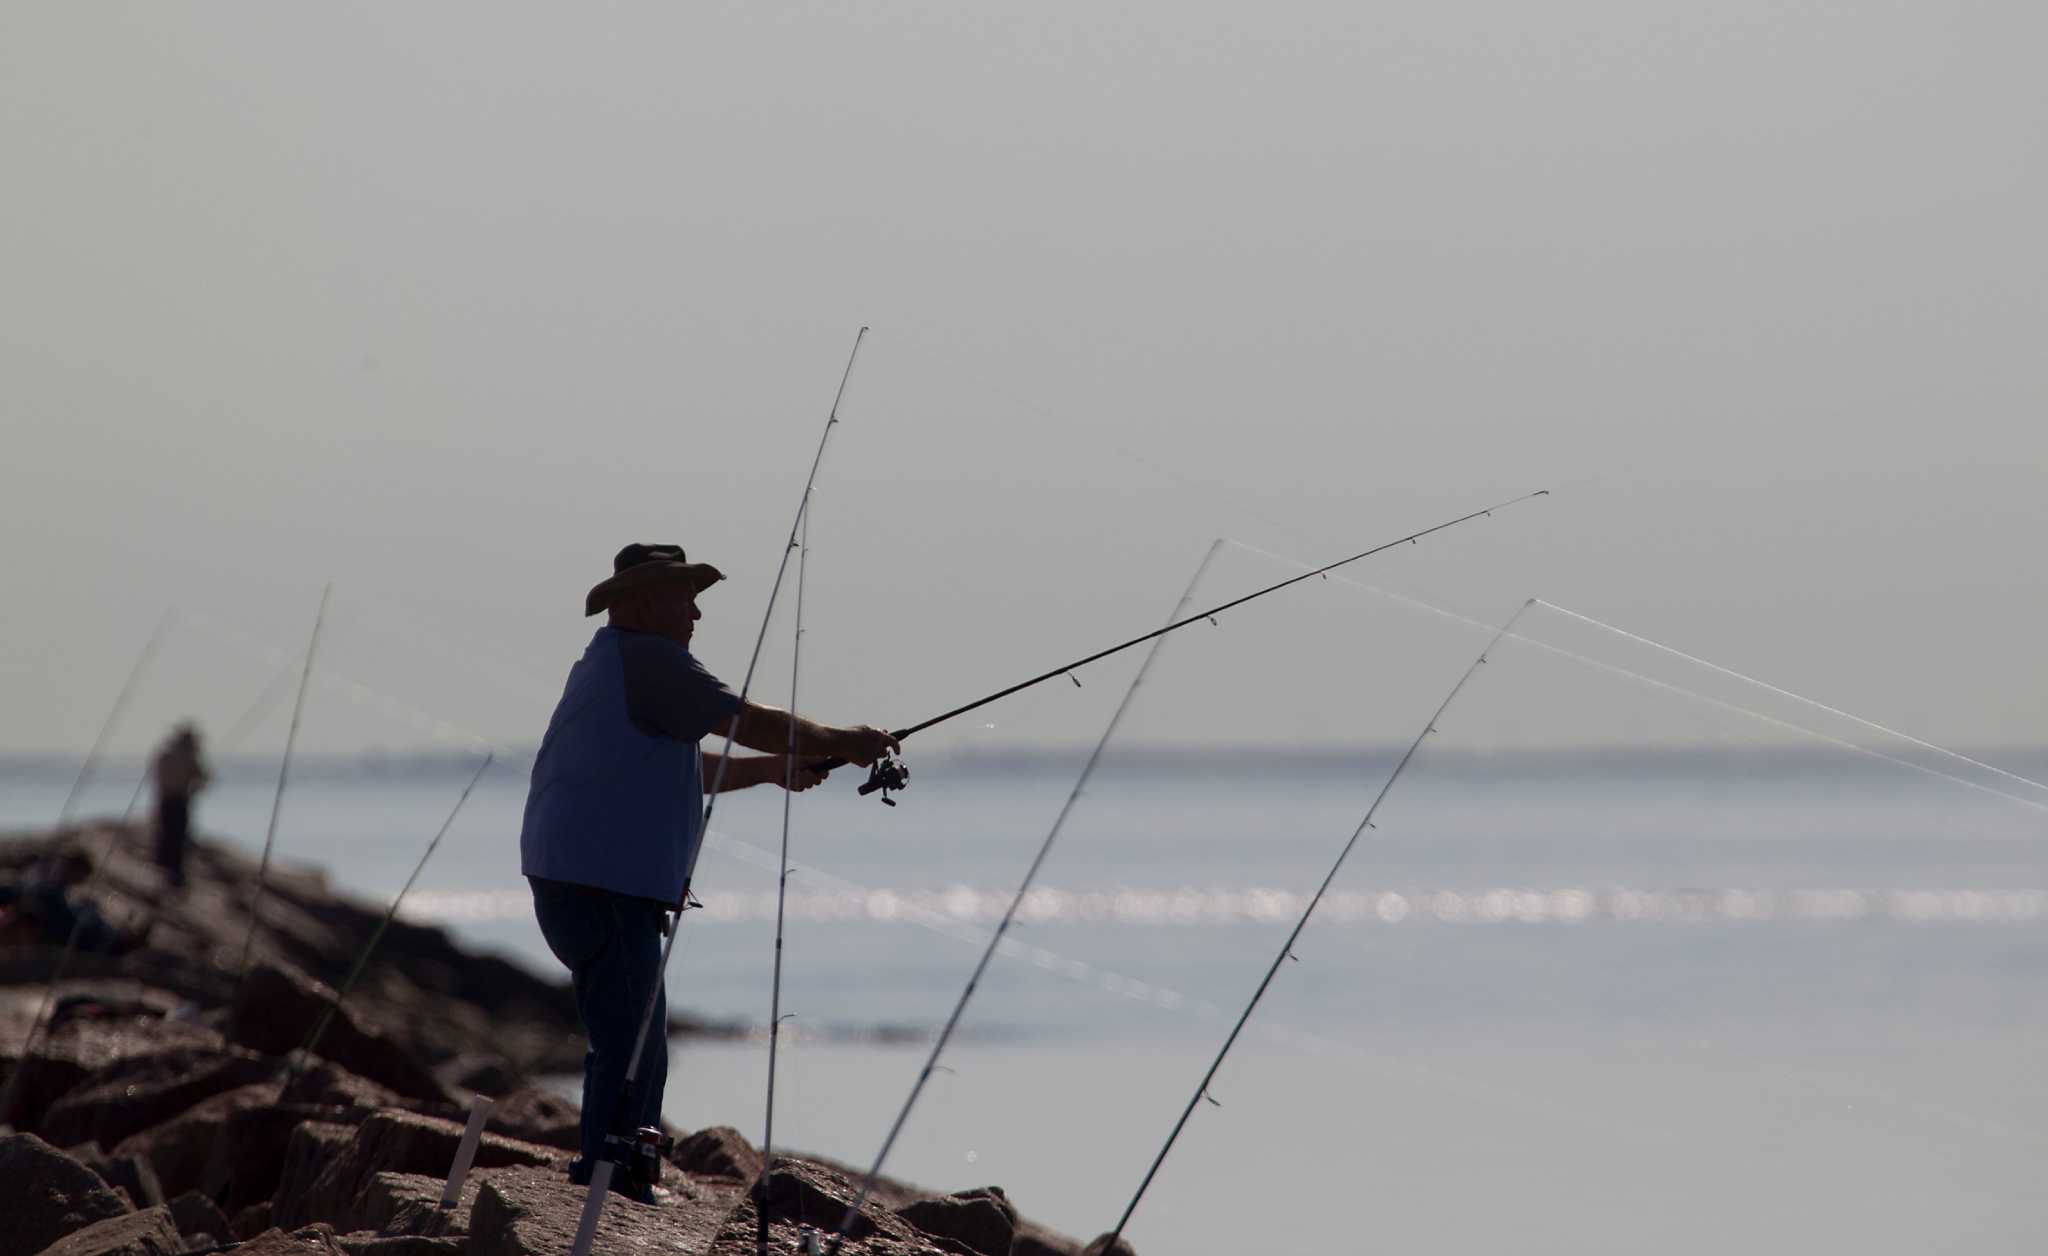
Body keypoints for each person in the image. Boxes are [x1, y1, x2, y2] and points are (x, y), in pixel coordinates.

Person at [520, 542, 897, 1201]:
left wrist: (777, 772)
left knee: (627, 1037)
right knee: (635, 1045)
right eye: (681, 596)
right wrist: (842, 741)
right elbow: (747, 723)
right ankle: (610, 1180)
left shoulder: (611, 666)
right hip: (602, 889)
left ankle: (616, 1170)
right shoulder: (651, 662)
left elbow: (690, 769)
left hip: (580, 883)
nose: (696, 613)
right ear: (637, 603)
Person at [151, 723, 210, 887]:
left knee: (166, 833)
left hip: (164, 800)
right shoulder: (188, 756)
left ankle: (164, 869)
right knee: (178, 836)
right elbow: (203, 778)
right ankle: (175, 874)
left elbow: (156, 776)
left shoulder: (164, 754)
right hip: (179, 801)